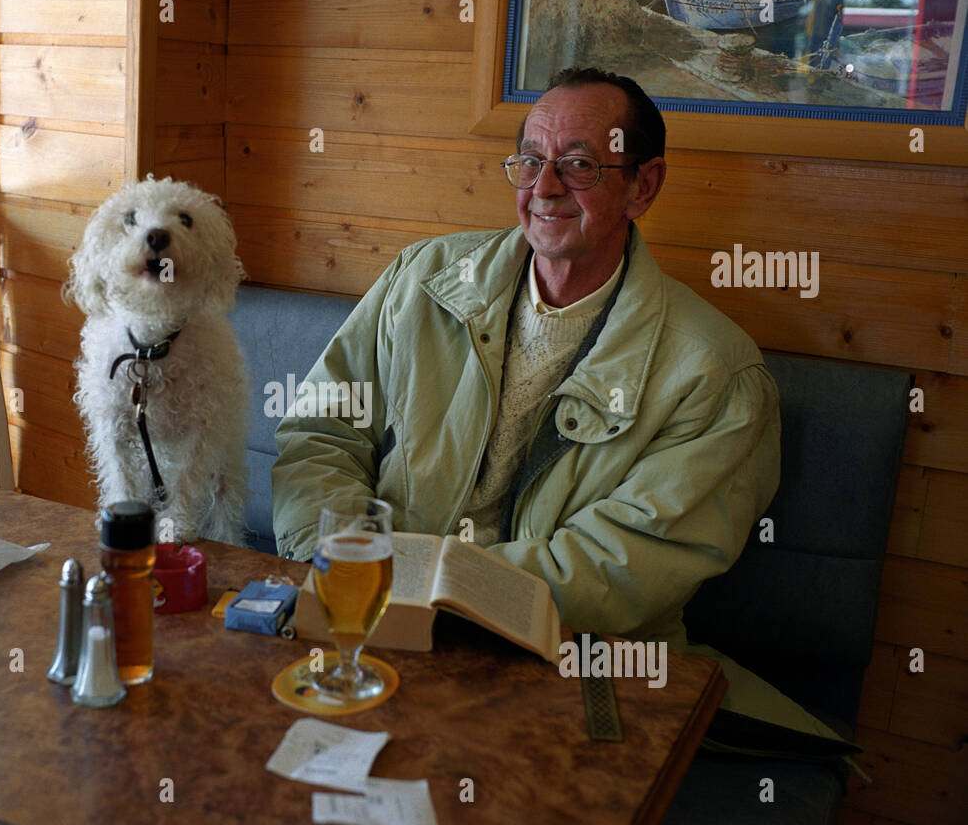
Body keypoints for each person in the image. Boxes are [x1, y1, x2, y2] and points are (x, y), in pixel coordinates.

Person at [272, 66, 851, 751]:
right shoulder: (420, 280)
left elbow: (620, 567)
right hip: (375, 621)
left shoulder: (716, 375)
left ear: (644, 185)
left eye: (578, 165)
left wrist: (438, 585)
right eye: (530, 161)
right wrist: (340, 561)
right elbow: (321, 429)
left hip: (570, 662)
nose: (544, 188)